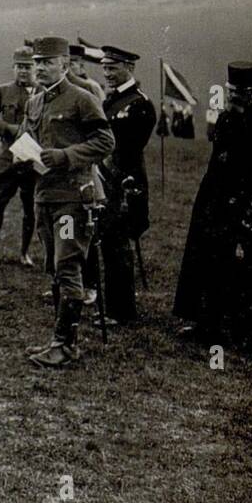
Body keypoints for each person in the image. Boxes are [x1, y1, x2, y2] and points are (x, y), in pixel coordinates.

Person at [19, 36, 116, 369]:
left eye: (47, 62)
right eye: (37, 62)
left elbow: (105, 141)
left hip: (75, 197)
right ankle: (58, 339)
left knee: (68, 268)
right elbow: (26, 136)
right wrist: (23, 153)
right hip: (45, 195)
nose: (40, 68)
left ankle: (65, 345)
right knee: (54, 269)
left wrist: (65, 156)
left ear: (64, 63)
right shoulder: (35, 101)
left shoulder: (82, 99)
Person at [173, 62, 252, 347]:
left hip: (243, 204)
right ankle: (207, 322)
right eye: (228, 91)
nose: (229, 97)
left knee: (245, 266)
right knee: (208, 260)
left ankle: (247, 332)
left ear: (249, 94)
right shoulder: (226, 120)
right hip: (214, 202)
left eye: (234, 92)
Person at [95, 45, 156, 326]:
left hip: (124, 182)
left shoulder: (140, 104)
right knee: (107, 241)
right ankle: (109, 305)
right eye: (105, 67)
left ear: (129, 68)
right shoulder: (110, 101)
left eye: (112, 67)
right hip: (105, 179)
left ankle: (121, 312)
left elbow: (130, 150)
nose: (106, 73)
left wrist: (110, 175)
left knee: (117, 245)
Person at [0, 47, 38, 265]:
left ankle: (24, 252)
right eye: (19, 66)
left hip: (35, 158)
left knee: (31, 204)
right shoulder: (3, 91)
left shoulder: (45, 92)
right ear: (13, 68)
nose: (23, 71)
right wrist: (11, 129)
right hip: (8, 157)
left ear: (36, 68)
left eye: (28, 67)